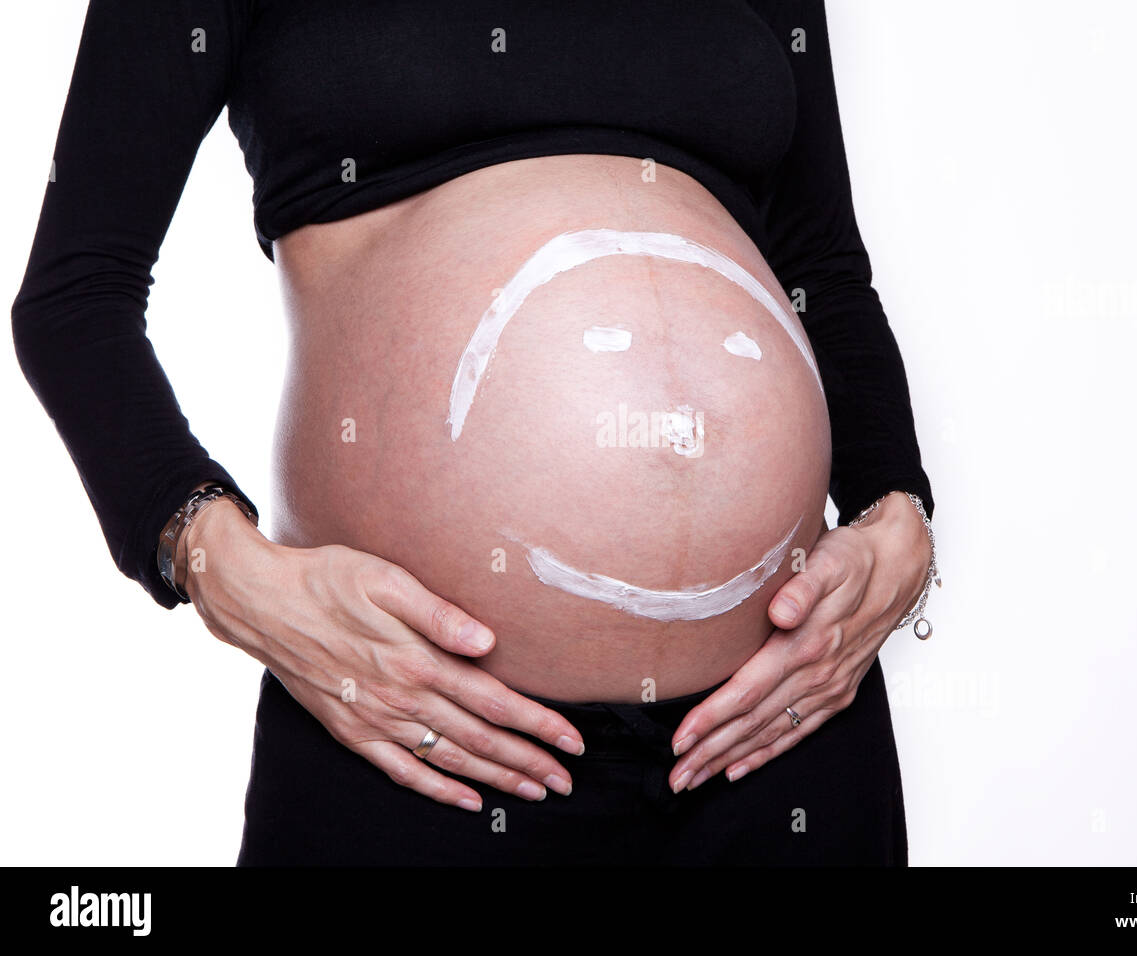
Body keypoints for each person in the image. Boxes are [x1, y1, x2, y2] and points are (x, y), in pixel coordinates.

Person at [11, 0, 937, 865]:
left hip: (781, 724)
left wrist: (898, 512)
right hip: (417, 736)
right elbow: (75, 297)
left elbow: (822, 266)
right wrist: (216, 562)